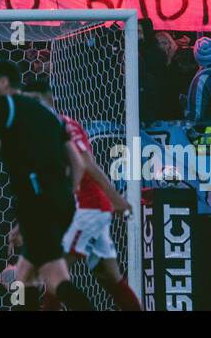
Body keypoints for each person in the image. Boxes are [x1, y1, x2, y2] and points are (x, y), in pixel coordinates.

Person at [0, 60, 95, 311]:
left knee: (55, 279)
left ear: (4, 83)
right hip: (60, 203)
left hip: (36, 203)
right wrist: (63, 194)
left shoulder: (2, 106)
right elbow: (77, 163)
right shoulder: (47, 112)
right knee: (23, 278)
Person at [20, 77, 141, 311]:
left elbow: (86, 163)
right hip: (81, 209)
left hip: (86, 209)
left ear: (50, 99)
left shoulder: (63, 125)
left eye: (36, 101)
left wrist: (116, 199)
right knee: (109, 277)